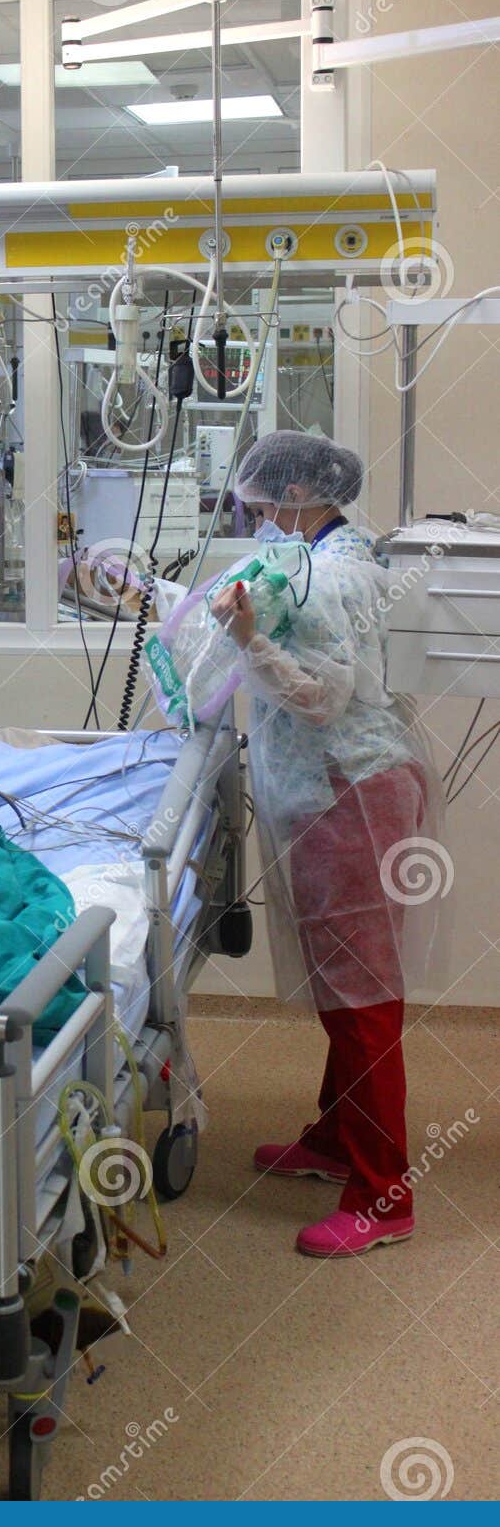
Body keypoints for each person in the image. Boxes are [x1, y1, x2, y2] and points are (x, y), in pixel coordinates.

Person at [209, 431, 448, 1259]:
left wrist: (245, 640)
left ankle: (383, 1196)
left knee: (361, 999)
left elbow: (319, 697)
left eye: (265, 495)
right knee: (339, 981)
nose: (256, 507)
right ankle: (334, 1138)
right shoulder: (309, 555)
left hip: (346, 788)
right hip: (337, 787)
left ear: (303, 493)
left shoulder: (330, 574)